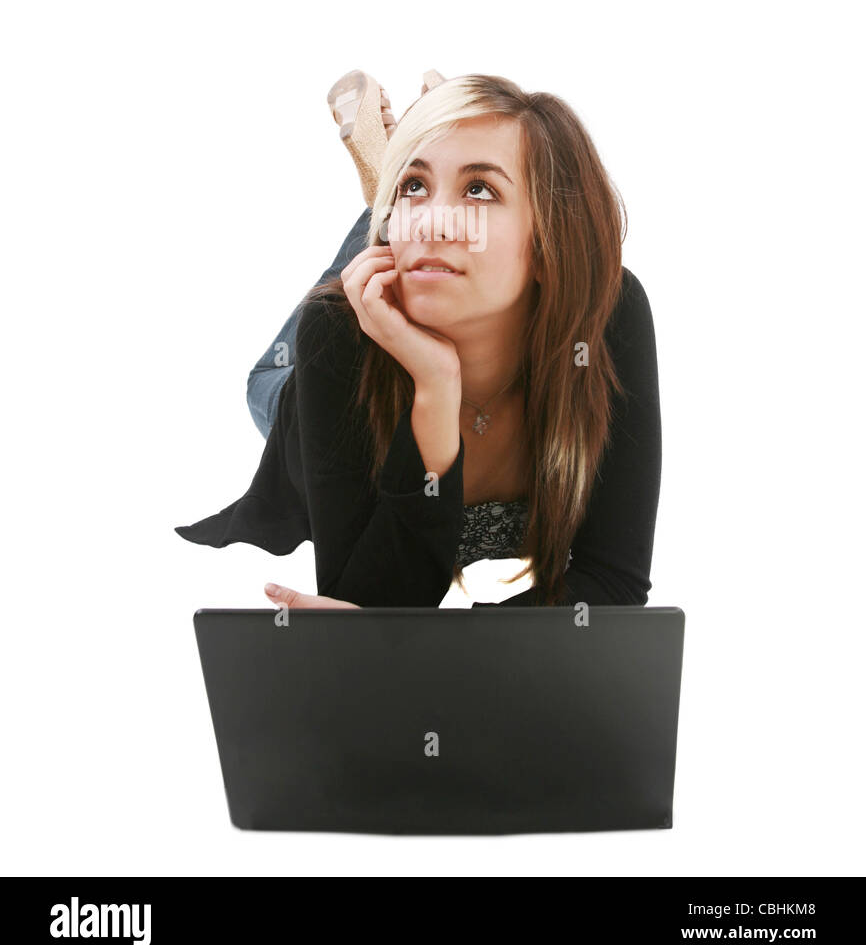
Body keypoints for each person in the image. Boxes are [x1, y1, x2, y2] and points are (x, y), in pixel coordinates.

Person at [175, 71, 662, 611]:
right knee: (264, 383)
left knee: (409, 237)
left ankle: (395, 167)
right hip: (309, 382)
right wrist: (435, 388)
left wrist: (434, 646)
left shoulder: (605, 316)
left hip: (441, 269)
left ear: (550, 242)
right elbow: (369, 606)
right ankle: (390, 179)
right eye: (415, 187)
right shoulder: (339, 336)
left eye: (479, 189)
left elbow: (614, 587)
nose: (433, 222)